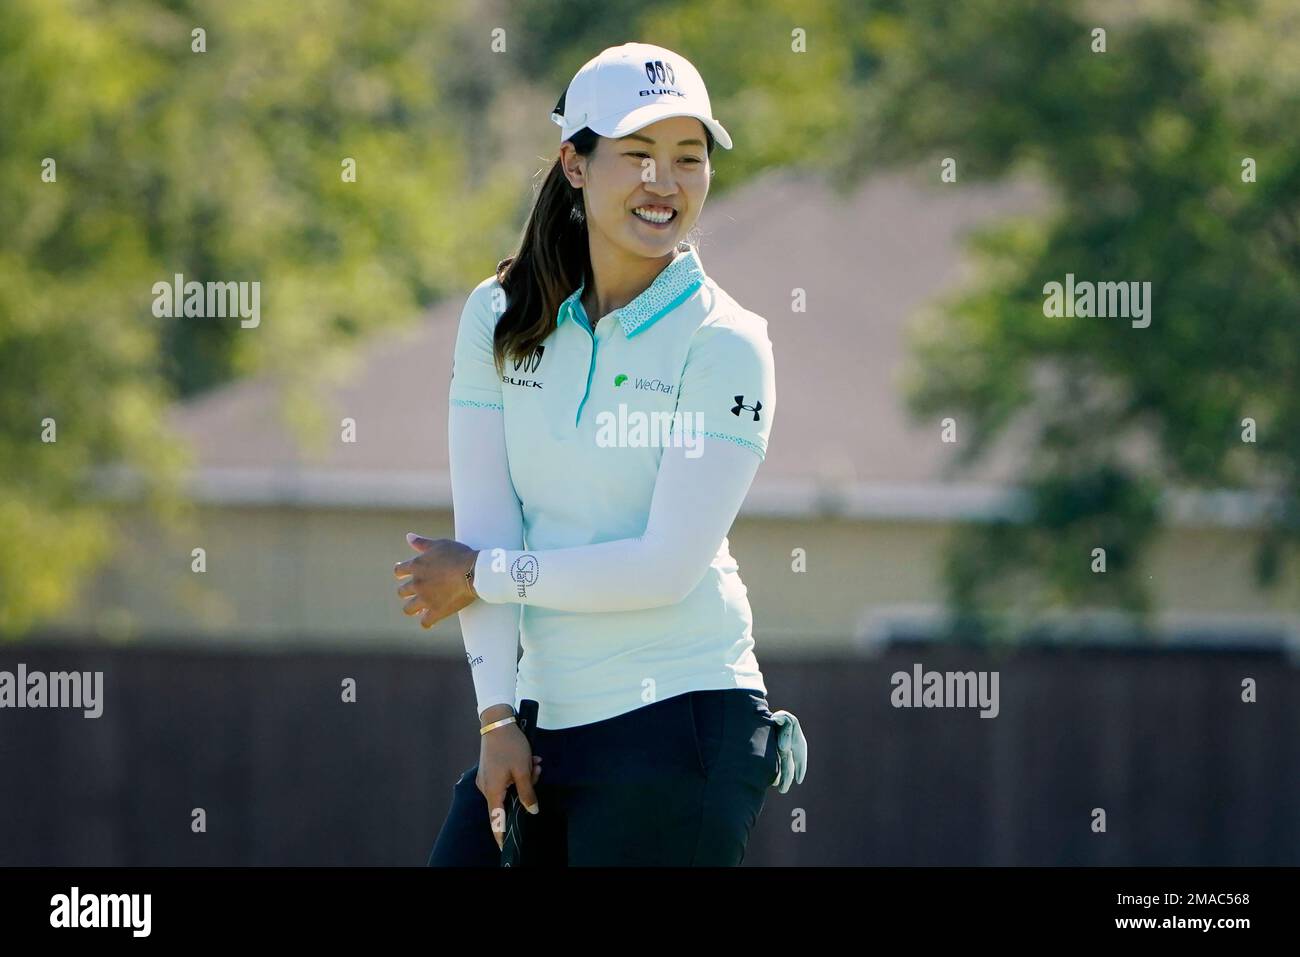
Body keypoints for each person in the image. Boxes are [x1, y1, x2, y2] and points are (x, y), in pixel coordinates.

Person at [393, 42, 806, 866]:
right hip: (545, 725)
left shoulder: (728, 342)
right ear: (574, 166)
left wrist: (485, 572)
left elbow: (663, 567)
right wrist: (497, 716)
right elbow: (487, 520)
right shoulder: (498, 315)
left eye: (689, 159)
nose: (666, 181)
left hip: (684, 723)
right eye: (637, 156)